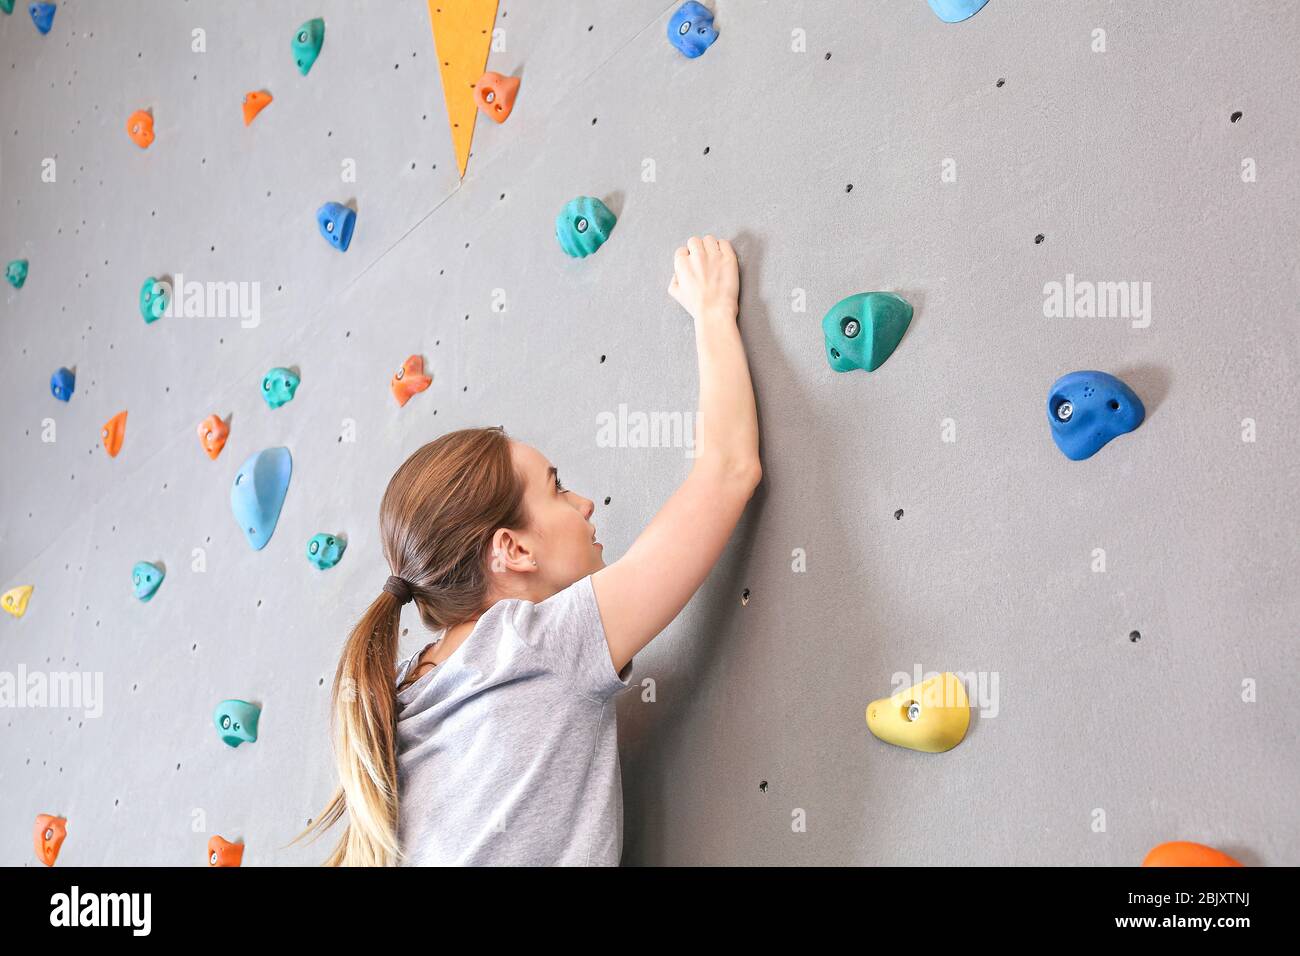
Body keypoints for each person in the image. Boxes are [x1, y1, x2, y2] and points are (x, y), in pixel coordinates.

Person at [302, 235, 761, 865]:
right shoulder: (536, 643)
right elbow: (729, 471)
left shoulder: (408, 699)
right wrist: (712, 313)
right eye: (557, 488)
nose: (585, 504)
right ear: (512, 549)